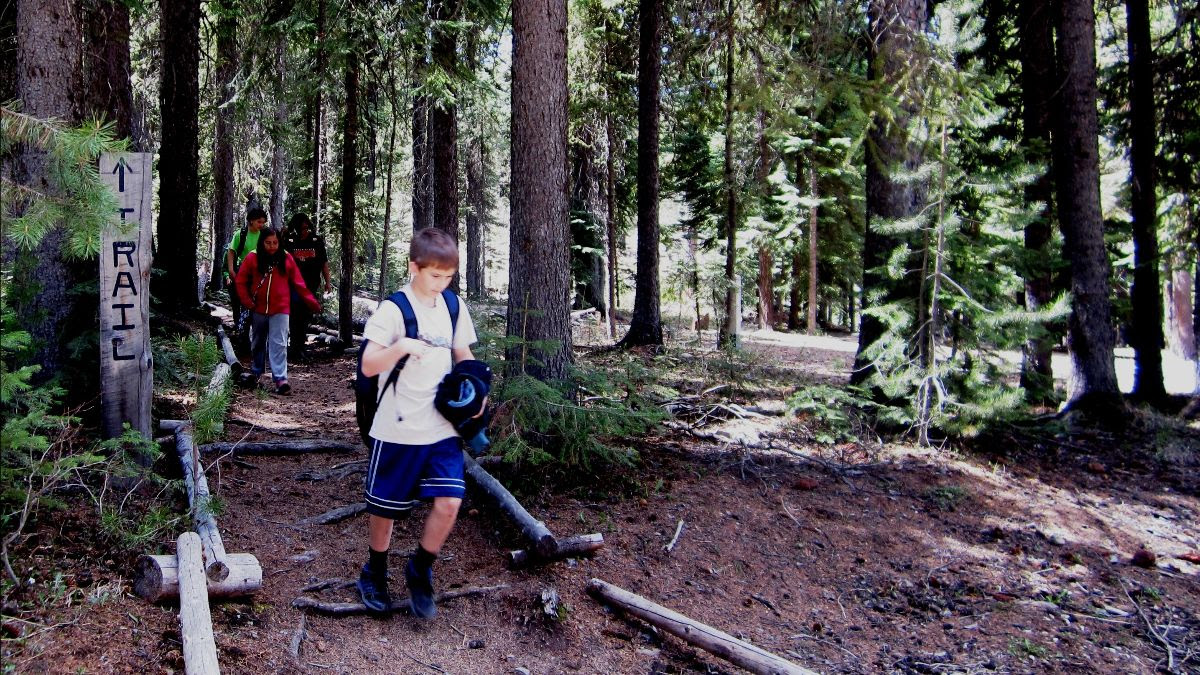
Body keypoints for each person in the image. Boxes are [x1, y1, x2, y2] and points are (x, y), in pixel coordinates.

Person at [356, 228, 481, 618]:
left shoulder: (454, 306)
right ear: (414, 267)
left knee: (449, 501)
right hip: (398, 427)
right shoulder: (394, 309)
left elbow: (464, 352)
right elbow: (368, 365)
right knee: (386, 508)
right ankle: (374, 571)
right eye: (434, 276)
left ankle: (420, 568)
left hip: (442, 427)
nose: (441, 284)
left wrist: (476, 388)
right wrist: (400, 347)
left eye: (448, 277)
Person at [234, 227, 322, 395]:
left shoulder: (286, 258)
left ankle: (281, 379)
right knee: (257, 342)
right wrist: (246, 301)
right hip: (258, 308)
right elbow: (240, 280)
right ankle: (257, 373)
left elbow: (299, 283)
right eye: (268, 243)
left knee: (279, 343)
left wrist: (312, 302)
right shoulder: (252, 257)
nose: (272, 246)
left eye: (275, 243)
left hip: (281, 308)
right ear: (262, 242)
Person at [282, 213, 331, 360]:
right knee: (294, 315)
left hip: (310, 286)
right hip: (293, 286)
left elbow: (324, 263)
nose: (304, 231)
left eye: (306, 227)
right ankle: (294, 347)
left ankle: (300, 347)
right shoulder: (290, 240)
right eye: (301, 228)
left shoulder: (316, 241)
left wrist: (327, 282)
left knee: (305, 316)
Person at [225, 208, 268, 336]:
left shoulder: (264, 234)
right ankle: (240, 331)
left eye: (263, 222)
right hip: (241, 273)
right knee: (237, 302)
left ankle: (252, 332)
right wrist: (231, 270)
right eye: (259, 222)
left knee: (251, 304)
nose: (261, 225)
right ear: (251, 221)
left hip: (258, 275)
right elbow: (231, 251)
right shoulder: (241, 234)